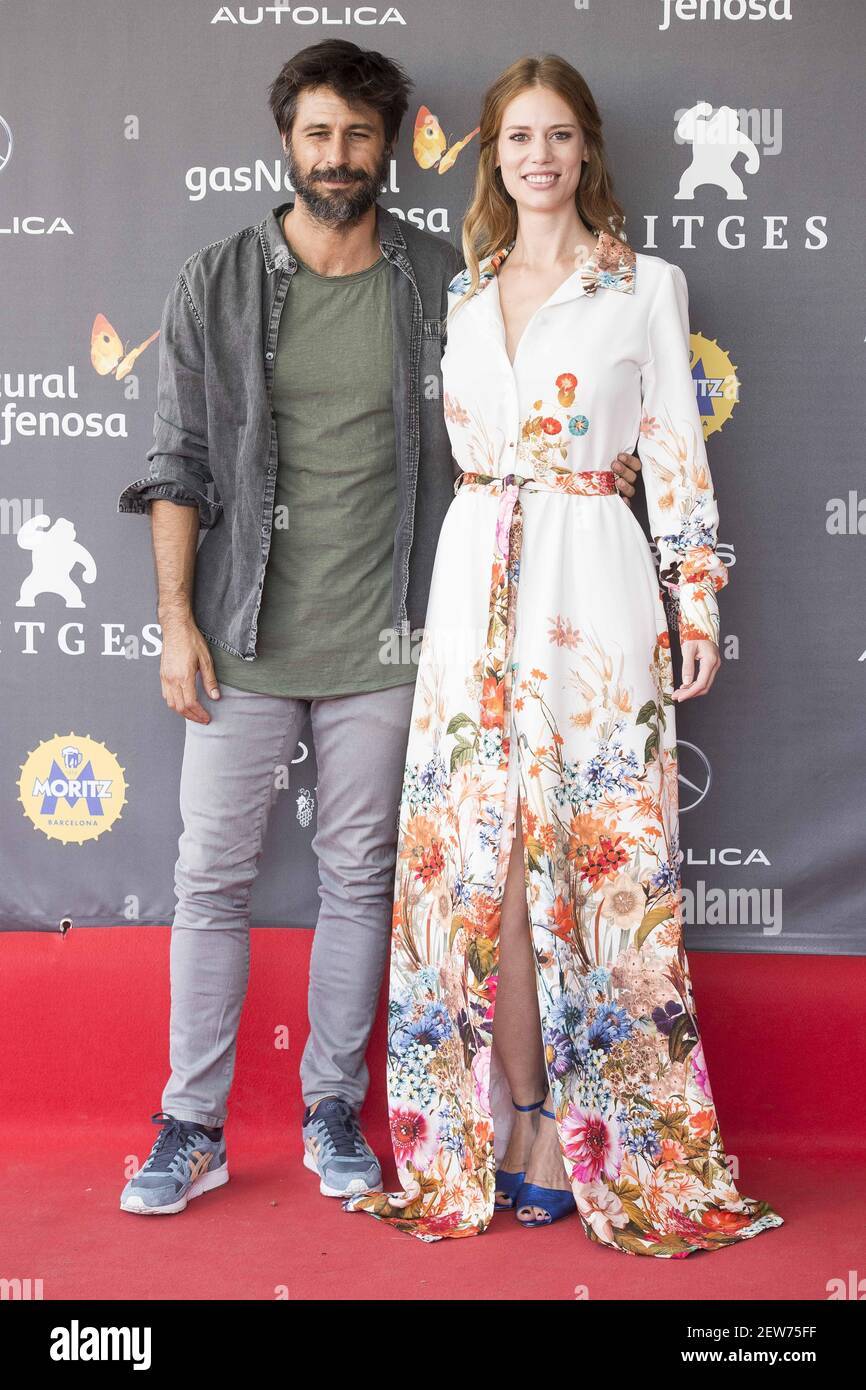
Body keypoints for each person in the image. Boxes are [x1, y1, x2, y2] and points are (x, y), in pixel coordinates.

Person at [115, 39, 644, 1215]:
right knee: (210, 876)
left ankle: (329, 1111)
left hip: (396, 640)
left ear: (391, 146)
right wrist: (172, 622)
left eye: (359, 135)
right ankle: (190, 1124)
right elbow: (176, 465)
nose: (337, 157)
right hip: (240, 633)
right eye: (317, 134)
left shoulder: (439, 281)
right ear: (286, 143)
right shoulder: (215, 281)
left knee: (359, 879)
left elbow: (524, 405)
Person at [345, 55, 785, 1255]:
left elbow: (676, 455)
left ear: (586, 150)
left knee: (592, 858)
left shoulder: (643, 284)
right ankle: (515, 1120)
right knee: (476, 875)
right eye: (515, 137)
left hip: (592, 577)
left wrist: (692, 600)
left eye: (557, 135)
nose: (537, 156)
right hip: (473, 570)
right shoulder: (465, 293)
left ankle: (601, 1138)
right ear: (492, 154)